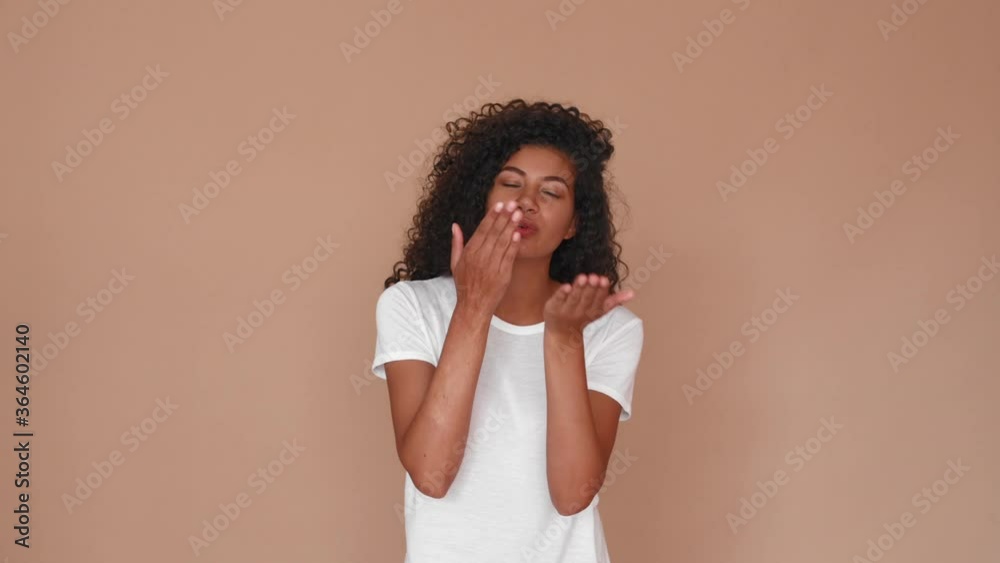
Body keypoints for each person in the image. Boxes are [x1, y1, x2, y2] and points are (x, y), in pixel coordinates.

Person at [371, 99, 644, 563]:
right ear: (483, 197)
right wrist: (474, 307)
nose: (526, 202)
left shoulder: (607, 329)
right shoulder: (411, 306)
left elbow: (574, 495)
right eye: (511, 183)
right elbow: (431, 474)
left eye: (552, 192)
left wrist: (562, 341)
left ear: (575, 223)